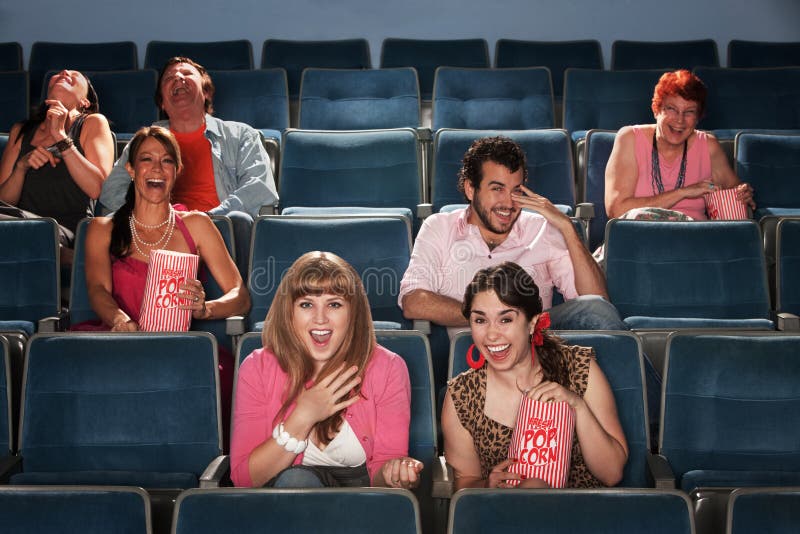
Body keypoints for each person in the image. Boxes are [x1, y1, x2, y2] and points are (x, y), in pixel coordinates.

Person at [79, 125, 250, 444]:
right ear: (131, 169)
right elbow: (97, 289)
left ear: (177, 170)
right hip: (121, 340)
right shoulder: (103, 228)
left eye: (167, 160)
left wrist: (206, 307)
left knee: (220, 375)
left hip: (180, 345)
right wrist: (118, 319)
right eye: (146, 159)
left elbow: (240, 297)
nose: (157, 168)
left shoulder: (197, 224)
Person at [231, 251, 423, 489]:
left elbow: (383, 470)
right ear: (289, 313)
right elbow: (244, 479)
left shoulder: (388, 367)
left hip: (361, 502)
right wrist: (304, 416)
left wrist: (394, 473)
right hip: (288, 502)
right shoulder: (257, 367)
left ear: (353, 313)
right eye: (306, 304)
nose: (320, 319)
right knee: (296, 480)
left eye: (334, 304)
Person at [399, 135, 625, 336]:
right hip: (474, 357)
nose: (508, 203)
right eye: (497, 189)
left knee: (596, 309)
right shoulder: (439, 227)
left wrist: (567, 227)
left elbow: (597, 301)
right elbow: (414, 301)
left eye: (516, 190)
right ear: (470, 189)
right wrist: (495, 317)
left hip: (537, 348)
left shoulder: (542, 228)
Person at [442, 262, 628, 489]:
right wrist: (487, 486)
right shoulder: (461, 396)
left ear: (532, 324)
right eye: (480, 320)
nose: (491, 335)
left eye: (506, 320)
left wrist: (578, 406)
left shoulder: (579, 368)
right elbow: (464, 485)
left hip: (582, 513)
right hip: (507, 516)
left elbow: (612, 473)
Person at [98, 57, 278, 275]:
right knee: (101, 226)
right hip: (156, 231)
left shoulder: (240, 135)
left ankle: (236, 298)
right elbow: (111, 191)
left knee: (240, 219)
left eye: (186, 74)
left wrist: (204, 220)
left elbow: (259, 187)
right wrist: (156, 217)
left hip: (220, 227)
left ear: (207, 93)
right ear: (162, 102)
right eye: (169, 78)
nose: (178, 79)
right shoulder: (144, 140)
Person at [605, 69, 755, 221]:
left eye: (689, 112)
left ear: (698, 118)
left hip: (693, 240)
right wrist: (683, 192)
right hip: (639, 239)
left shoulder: (708, 146)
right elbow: (616, 210)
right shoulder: (629, 138)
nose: (680, 120)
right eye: (672, 109)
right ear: (656, 110)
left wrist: (743, 194)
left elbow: (735, 192)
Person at [0, 69, 114, 251]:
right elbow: (4, 201)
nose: (65, 72)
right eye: (59, 74)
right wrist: (21, 168)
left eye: (75, 75)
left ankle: (63, 254)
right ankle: (61, 257)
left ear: (85, 101)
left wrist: (61, 137)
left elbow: (97, 188)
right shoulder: (21, 130)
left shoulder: (93, 123)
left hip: (62, 231)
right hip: (15, 223)